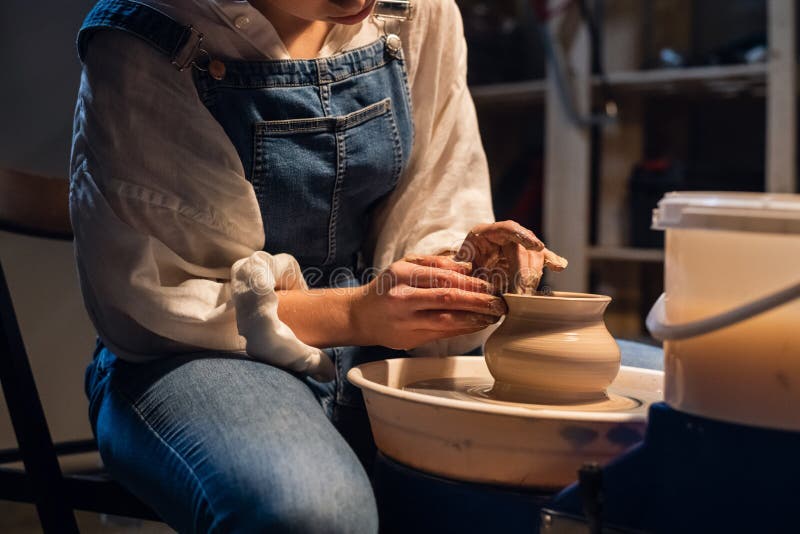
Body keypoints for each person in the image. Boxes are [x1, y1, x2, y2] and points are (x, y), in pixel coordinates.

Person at [71, 0, 659, 532]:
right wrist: (356, 312)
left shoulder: (416, 12)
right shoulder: (148, 37)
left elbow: (437, 200)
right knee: (312, 514)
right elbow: (159, 299)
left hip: (379, 333)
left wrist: (467, 266)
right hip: (194, 348)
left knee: (686, 405)